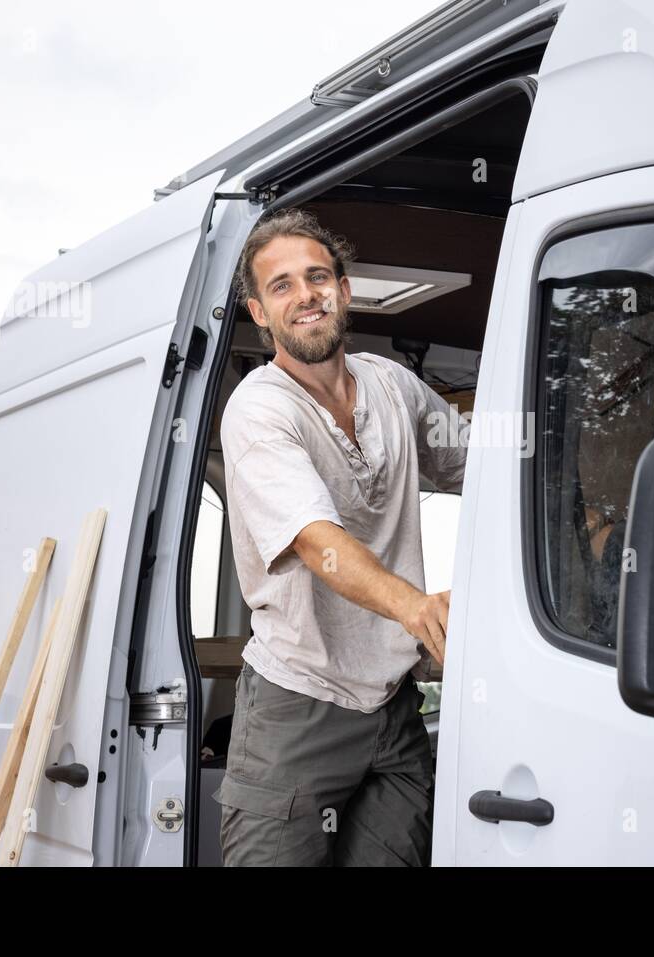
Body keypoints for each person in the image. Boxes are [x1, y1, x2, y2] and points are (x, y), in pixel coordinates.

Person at [213, 207, 468, 866]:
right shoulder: (260, 411)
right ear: (259, 312)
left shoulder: (392, 386)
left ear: (344, 290)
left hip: (392, 706)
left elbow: (483, 462)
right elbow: (316, 541)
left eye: (317, 277)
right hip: (298, 703)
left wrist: (580, 491)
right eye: (282, 285)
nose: (305, 295)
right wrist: (416, 606)